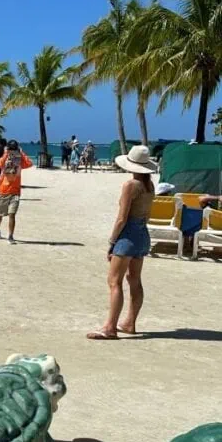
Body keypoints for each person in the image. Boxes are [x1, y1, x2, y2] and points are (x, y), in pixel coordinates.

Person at [89, 145, 157, 340]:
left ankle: (110, 327)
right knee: (134, 279)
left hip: (128, 234)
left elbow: (121, 218)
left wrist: (112, 241)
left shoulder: (130, 185)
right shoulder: (149, 186)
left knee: (114, 281)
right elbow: (148, 215)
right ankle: (130, 323)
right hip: (142, 233)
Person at [0, 139, 33, 244]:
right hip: (3, 190)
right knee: (0, 214)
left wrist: (21, 153)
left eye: (14, 149)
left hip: (15, 192)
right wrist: (6, 153)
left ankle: (10, 236)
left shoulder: (20, 161)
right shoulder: (4, 159)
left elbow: (29, 163)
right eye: (11, 149)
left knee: (12, 214)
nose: (13, 152)